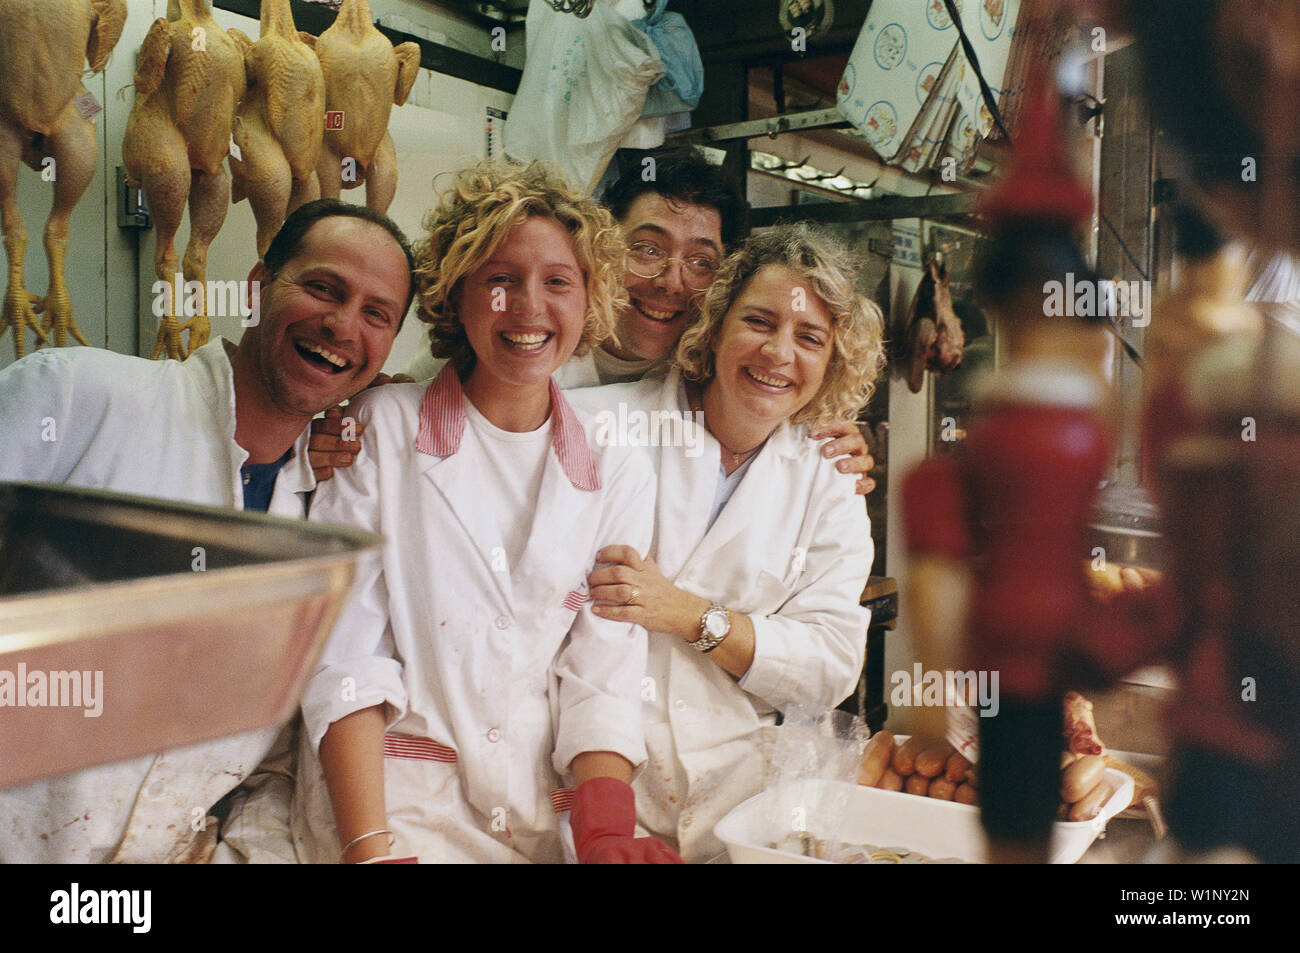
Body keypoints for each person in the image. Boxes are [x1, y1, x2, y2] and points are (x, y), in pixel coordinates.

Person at [282, 160, 680, 863]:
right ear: (456, 296)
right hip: (392, 810)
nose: (529, 307)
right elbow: (346, 650)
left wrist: (608, 829)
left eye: (558, 281)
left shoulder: (614, 466)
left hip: (539, 820)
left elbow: (603, 662)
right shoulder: (377, 429)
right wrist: (371, 848)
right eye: (500, 279)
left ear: (591, 300)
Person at [0, 198, 416, 862]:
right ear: (256, 288)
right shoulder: (77, 396)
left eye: (376, 313)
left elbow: (267, 765)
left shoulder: (320, 517)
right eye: (321, 287)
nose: (342, 325)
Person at [566, 224, 884, 861]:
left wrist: (689, 615)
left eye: (810, 338)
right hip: (594, 787)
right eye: (760, 322)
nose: (778, 353)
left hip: (746, 810)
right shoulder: (599, 424)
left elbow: (830, 669)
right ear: (713, 330)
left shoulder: (831, 479)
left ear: (832, 363)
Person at [321, 147, 877, 493]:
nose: (671, 282)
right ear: (604, 248)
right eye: (649, 249)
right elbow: (412, 412)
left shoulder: (714, 374)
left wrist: (824, 439)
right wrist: (342, 430)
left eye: (701, 261)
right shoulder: (518, 340)